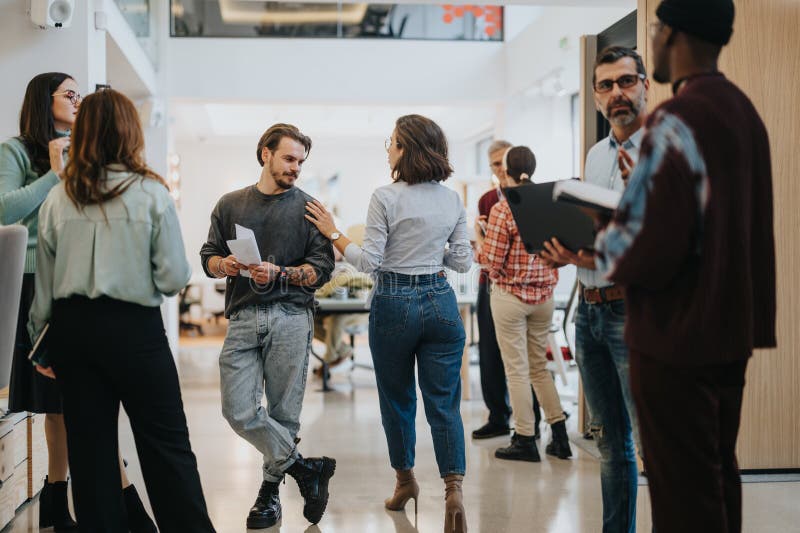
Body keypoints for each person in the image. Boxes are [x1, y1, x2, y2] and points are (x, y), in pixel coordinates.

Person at [594, 1, 775, 531]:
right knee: (717, 478)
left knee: (680, 498)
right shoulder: (743, 111)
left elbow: (650, 247)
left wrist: (596, 239)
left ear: (669, 34)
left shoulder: (676, 118)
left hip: (676, 337)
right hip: (728, 328)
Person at [27, 89, 215, 532]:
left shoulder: (59, 198)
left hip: (73, 333)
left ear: (84, 133)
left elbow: (45, 287)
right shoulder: (151, 193)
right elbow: (172, 278)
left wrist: (41, 348)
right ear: (131, 132)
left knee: (90, 458)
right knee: (167, 448)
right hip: (135, 332)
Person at [0, 73, 154, 531]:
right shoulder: (17, 151)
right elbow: (4, 211)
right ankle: (124, 500)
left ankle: (56, 500)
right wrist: (52, 174)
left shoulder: (84, 153)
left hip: (79, 284)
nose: (78, 101)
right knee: (71, 402)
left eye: (81, 95)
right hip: (32, 287)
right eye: (70, 94)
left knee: (72, 403)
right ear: (42, 102)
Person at [305, 114, 472, 533]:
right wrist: (433, 248)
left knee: (398, 402)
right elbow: (463, 260)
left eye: (392, 142)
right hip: (441, 301)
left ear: (406, 149)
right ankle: (454, 493)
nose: (389, 149)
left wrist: (334, 233)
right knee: (444, 404)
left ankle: (405, 483)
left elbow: (370, 262)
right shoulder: (451, 200)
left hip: (395, 302)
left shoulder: (386, 196)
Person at [200, 123, 336, 530]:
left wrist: (280, 273)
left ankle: (269, 494)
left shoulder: (309, 208)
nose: (295, 168)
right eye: (289, 158)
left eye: (300, 162)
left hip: (292, 317)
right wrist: (223, 265)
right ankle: (305, 469)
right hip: (242, 317)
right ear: (265, 153)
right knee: (237, 409)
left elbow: (322, 270)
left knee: (283, 413)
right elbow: (208, 254)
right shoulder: (230, 204)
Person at [540, 46, 648, 533]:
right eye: (605, 86)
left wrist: (596, 255)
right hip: (588, 311)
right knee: (612, 443)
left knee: (652, 443)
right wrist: (569, 253)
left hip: (635, 311)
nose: (616, 94)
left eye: (625, 81)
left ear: (644, 84)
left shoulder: (661, 150)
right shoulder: (597, 153)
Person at [476, 146, 572, 463]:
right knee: (538, 369)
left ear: (506, 170)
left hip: (511, 299)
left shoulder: (504, 209)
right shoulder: (552, 202)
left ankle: (526, 439)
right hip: (544, 298)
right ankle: (559, 436)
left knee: (516, 371)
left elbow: (491, 262)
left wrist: (479, 236)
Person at [472, 140, 543, 441]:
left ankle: (532, 421)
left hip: (520, 287)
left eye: (503, 162)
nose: (500, 169)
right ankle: (498, 416)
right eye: (494, 165)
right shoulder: (487, 200)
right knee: (489, 352)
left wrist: (485, 239)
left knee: (525, 359)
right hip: (489, 283)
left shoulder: (535, 197)